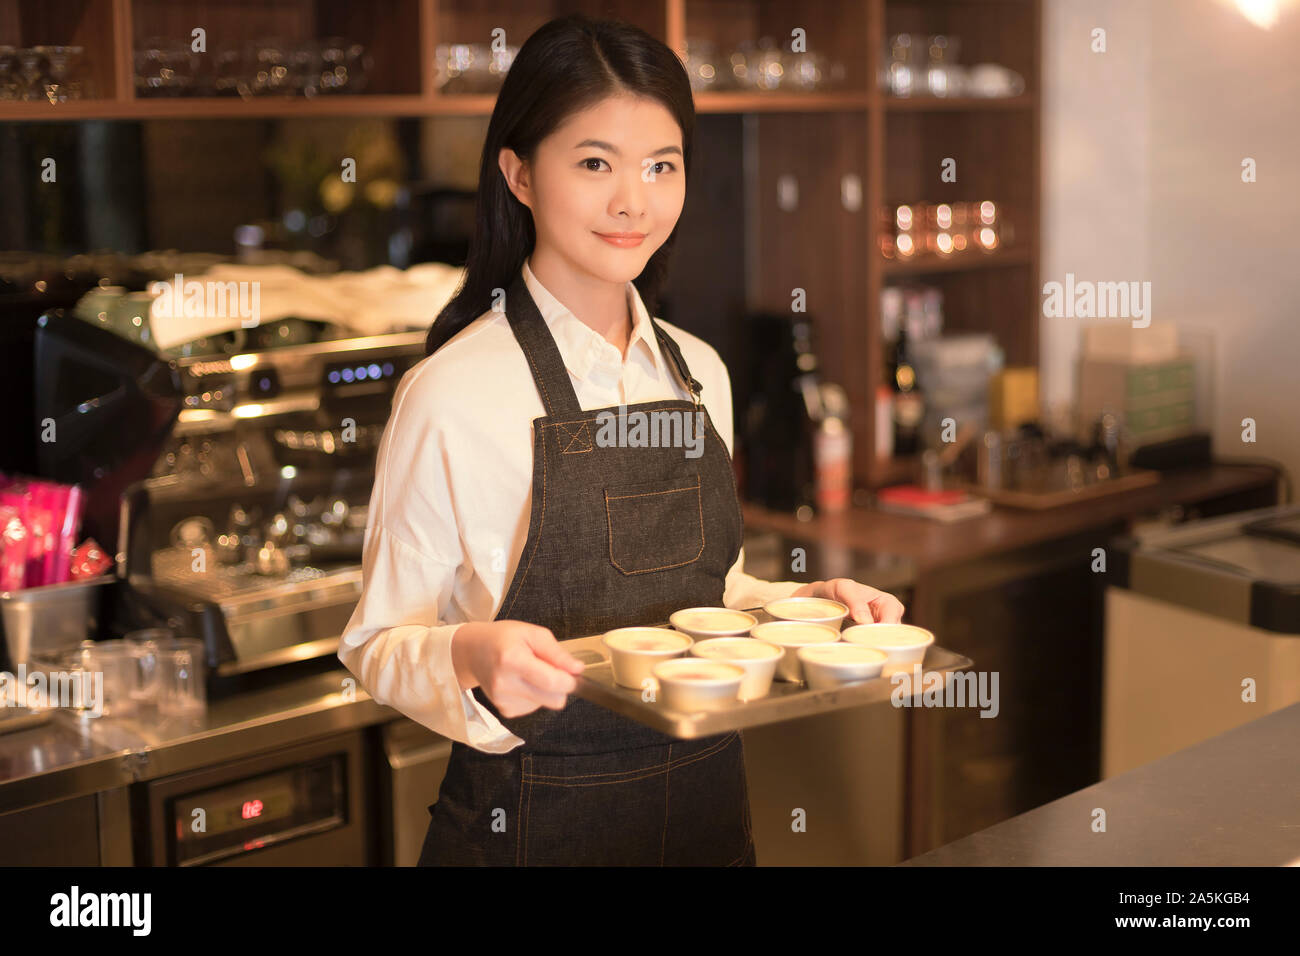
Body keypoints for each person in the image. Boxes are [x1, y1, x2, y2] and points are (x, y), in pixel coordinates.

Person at [338, 12, 905, 867]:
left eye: (660, 166)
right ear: (520, 174)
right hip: (528, 829)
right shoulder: (452, 393)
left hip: (708, 825)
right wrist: (471, 651)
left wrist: (807, 613)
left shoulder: (698, 372)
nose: (632, 200)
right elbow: (376, 645)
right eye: (595, 162)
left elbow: (706, 598)